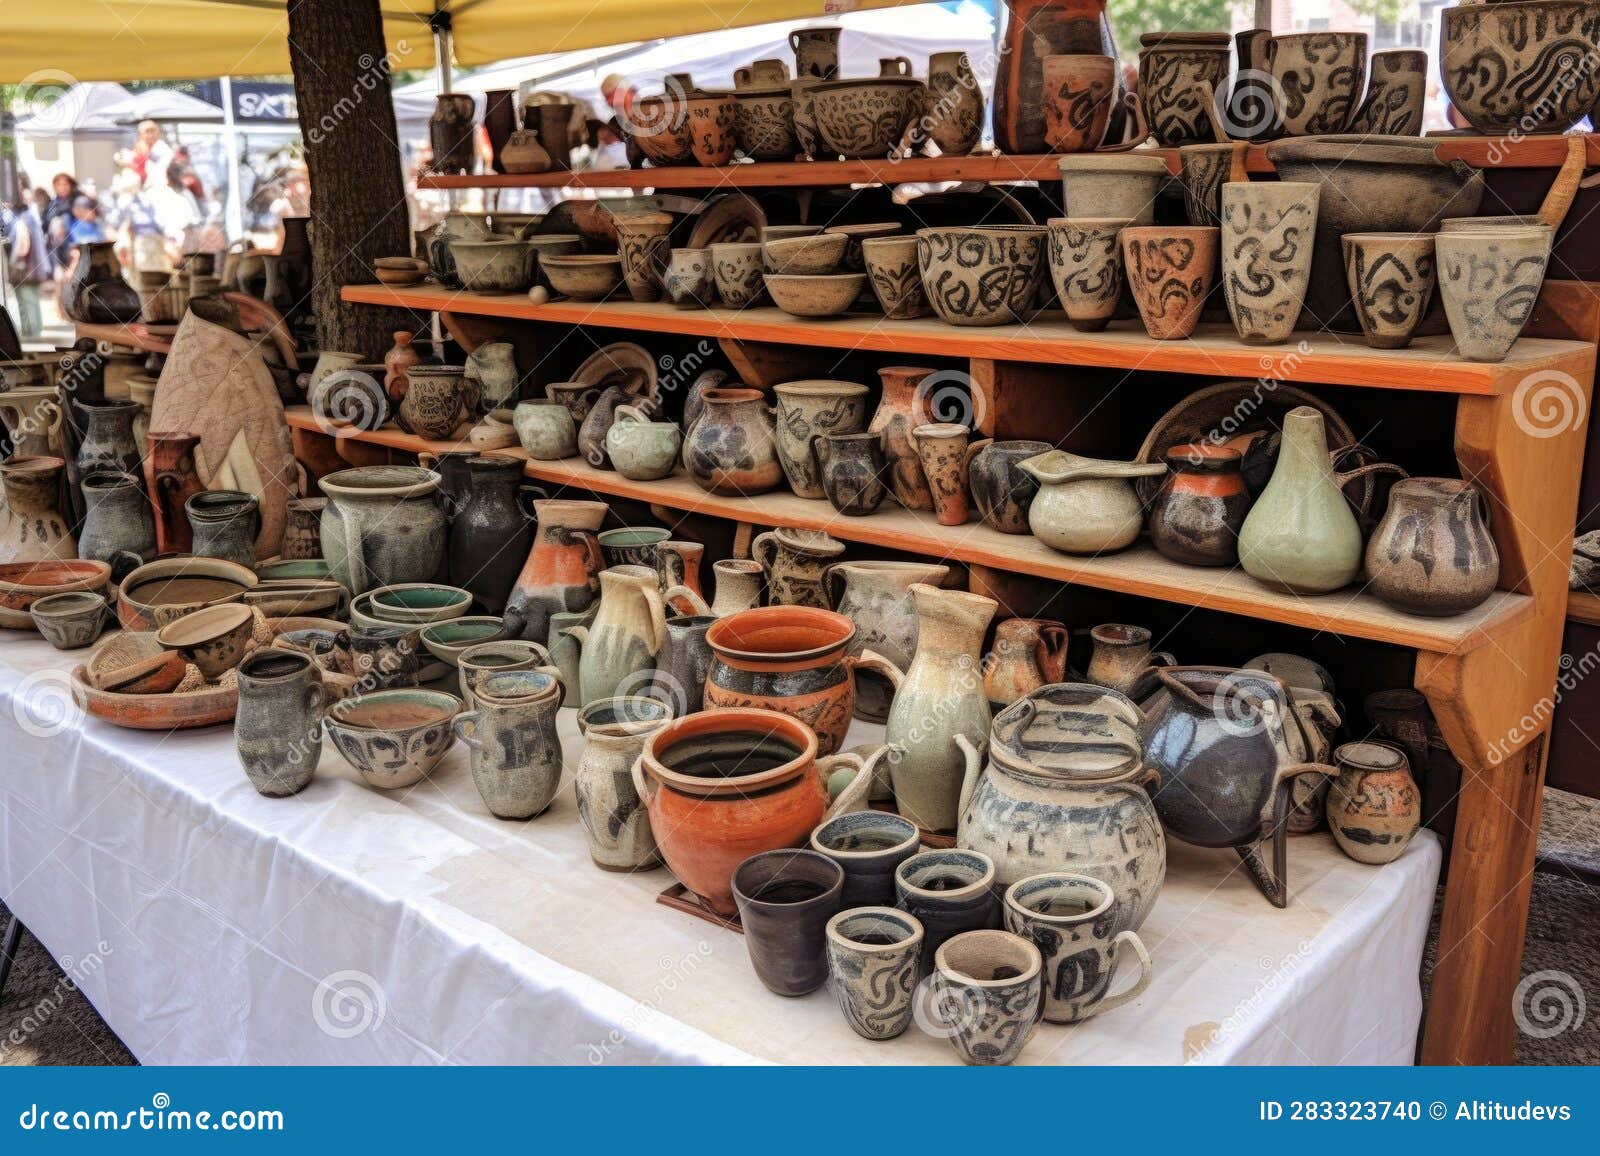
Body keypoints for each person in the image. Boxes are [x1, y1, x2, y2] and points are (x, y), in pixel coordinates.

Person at [3, 199, 50, 339]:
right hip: (34, 268)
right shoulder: (31, 218)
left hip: (24, 269)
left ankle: (30, 334)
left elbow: (23, 248)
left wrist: (13, 262)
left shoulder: (21, 222)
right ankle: (35, 331)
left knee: (26, 302)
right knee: (32, 301)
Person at [42, 173, 79, 280]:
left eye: (65, 184)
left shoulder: (76, 201)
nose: (62, 187)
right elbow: (45, 223)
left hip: (72, 246)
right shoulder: (52, 204)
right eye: (59, 184)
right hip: (55, 249)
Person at [133, 119, 174, 190]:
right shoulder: (138, 149)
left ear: (158, 133)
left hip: (160, 188)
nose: (150, 135)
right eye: (147, 131)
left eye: (153, 131)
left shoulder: (163, 148)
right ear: (141, 134)